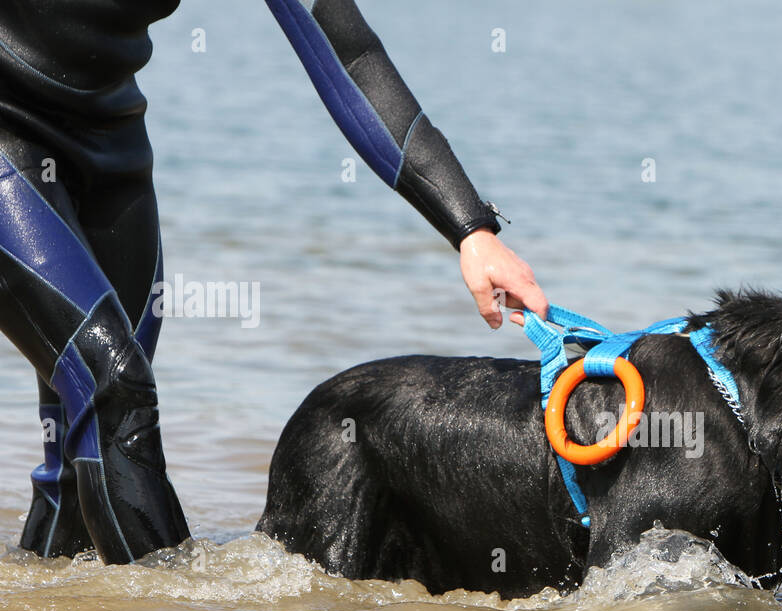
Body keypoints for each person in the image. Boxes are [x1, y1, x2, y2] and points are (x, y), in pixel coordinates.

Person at [0, 0, 545, 563]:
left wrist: (471, 230)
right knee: (114, 387)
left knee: (81, 458)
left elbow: (351, 56)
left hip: (110, 152)